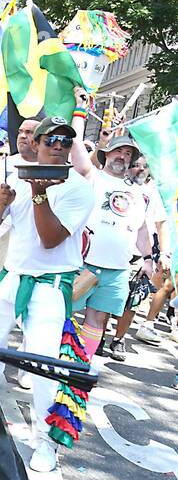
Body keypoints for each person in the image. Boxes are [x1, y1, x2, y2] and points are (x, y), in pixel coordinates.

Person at [0, 116, 95, 473]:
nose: (58, 145)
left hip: (50, 285)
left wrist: (39, 193)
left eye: (65, 140)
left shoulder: (79, 188)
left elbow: (51, 238)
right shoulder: (17, 176)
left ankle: (45, 443)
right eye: (51, 140)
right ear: (37, 143)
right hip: (12, 277)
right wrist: (1, 202)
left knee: (43, 364)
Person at [70, 130, 152, 365]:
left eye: (127, 153)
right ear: (106, 153)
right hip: (83, 262)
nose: (122, 156)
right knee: (63, 313)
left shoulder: (137, 192)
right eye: (118, 150)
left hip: (116, 269)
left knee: (97, 319)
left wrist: (148, 258)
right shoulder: (92, 176)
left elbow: (142, 229)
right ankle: (49, 358)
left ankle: (79, 364)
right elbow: (78, 153)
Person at [107, 153, 173, 358]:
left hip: (142, 257)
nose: (140, 170)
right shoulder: (118, 188)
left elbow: (161, 224)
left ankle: (118, 339)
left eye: (145, 166)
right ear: (128, 167)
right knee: (108, 300)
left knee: (134, 300)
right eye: (136, 165)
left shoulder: (153, 195)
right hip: (115, 253)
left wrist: (164, 253)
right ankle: (99, 337)